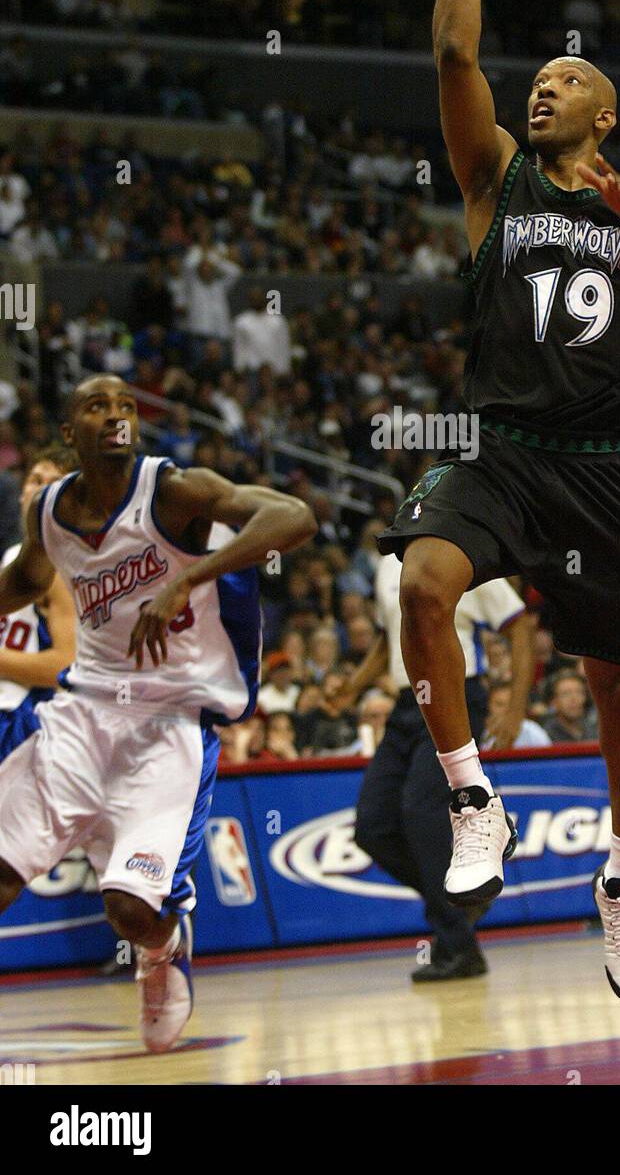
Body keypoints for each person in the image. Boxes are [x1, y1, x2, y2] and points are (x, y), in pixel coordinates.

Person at [377, 0, 620, 1006]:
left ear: (605, 115)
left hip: (604, 468)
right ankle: (471, 796)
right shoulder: (495, 181)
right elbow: (453, 47)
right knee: (423, 580)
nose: (543, 86)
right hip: (502, 451)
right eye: (540, 82)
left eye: (567, 83)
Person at [0, 374, 315, 1052]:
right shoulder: (49, 512)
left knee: (129, 909)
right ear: (68, 432)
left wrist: (187, 578)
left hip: (169, 722)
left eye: (125, 405)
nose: (116, 415)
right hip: (81, 714)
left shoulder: (174, 491)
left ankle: (163, 947)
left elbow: (293, 516)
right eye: (96, 405)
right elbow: (23, 581)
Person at [338, 551, 534, 982]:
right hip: (407, 704)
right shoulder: (387, 562)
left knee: (422, 813)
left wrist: (517, 705)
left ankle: (459, 948)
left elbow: (519, 623)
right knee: (373, 826)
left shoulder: (463, 553)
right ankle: (462, 901)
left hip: (455, 694)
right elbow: (388, 640)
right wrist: (351, 687)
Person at [0, 446, 77, 762]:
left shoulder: (64, 567)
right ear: (21, 494)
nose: (40, 488)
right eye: (35, 479)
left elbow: (65, 665)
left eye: (54, 482)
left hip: (24, 720)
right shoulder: (11, 557)